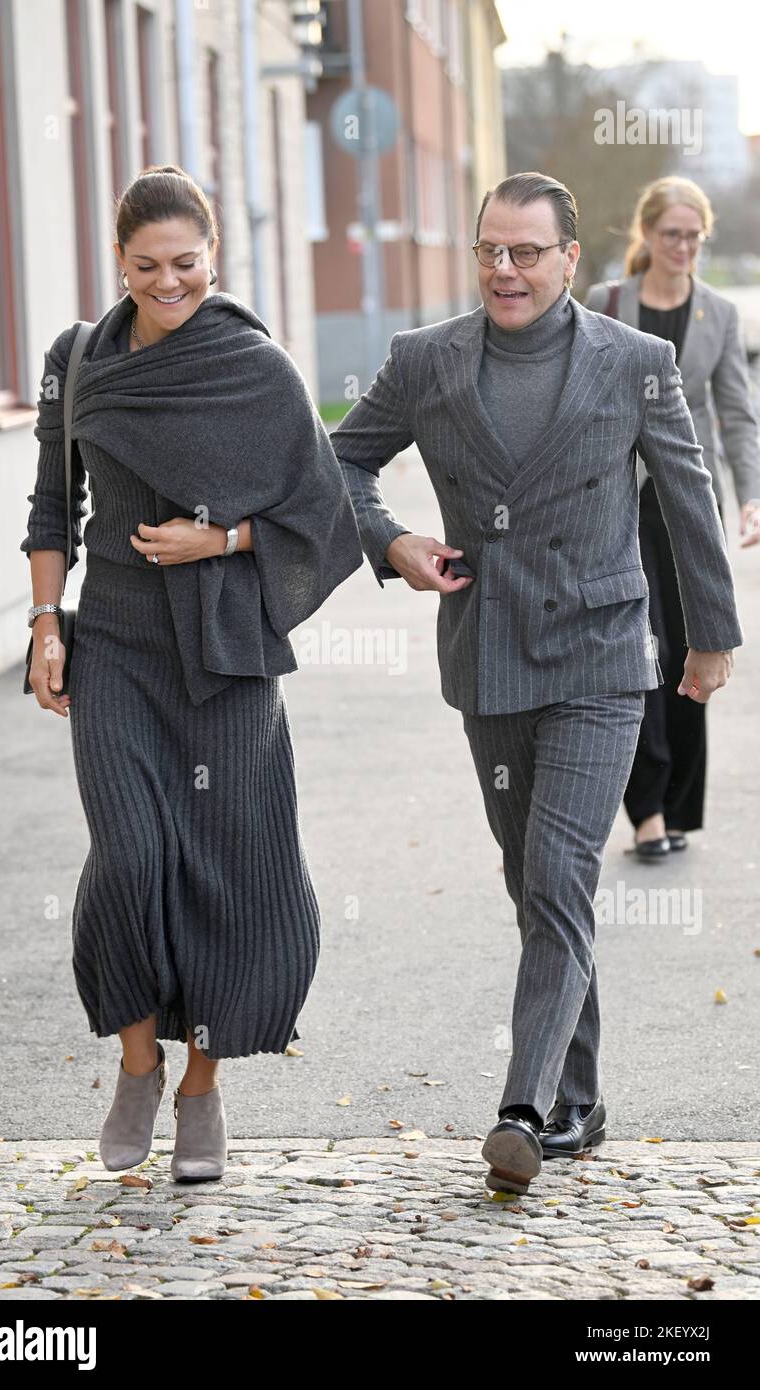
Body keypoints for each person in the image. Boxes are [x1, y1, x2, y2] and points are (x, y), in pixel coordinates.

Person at [330, 171, 743, 1196]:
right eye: (489, 251)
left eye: (526, 251)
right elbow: (336, 465)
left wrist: (709, 635)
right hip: (489, 651)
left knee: (558, 874)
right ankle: (581, 1097)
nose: (504, 269)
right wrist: (396, 541)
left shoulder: (635, 363)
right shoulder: (423, 360)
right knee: (533, 882)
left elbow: (686, 499)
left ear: (570, 259)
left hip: (603, 653)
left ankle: (521, 1105)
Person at [21, 164, 362, 1182]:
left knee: (231, 876)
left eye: (185, 264)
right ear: (115, 262)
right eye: (146, 266)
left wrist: (220, 542)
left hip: (222, 655)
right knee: (129, 858)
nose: (168, 282)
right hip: (115, 643)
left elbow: (322, 517)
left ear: (212, 258)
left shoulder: (256, 366)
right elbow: (52, 509)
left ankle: (201, 1090)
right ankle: (137, 1065)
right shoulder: (77, 360)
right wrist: (46, 622)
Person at [585, 177, 760, 860]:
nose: (683, 247)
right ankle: (647, 812)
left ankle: (679, 806)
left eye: (692, 236)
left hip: (689, 506)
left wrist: (750, 493)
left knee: (695, 648)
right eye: (670, 235)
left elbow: (737, 417)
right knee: (639, 649)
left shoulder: (718, 314)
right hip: (617, 505)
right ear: (646, 235)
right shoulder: (607, 304)